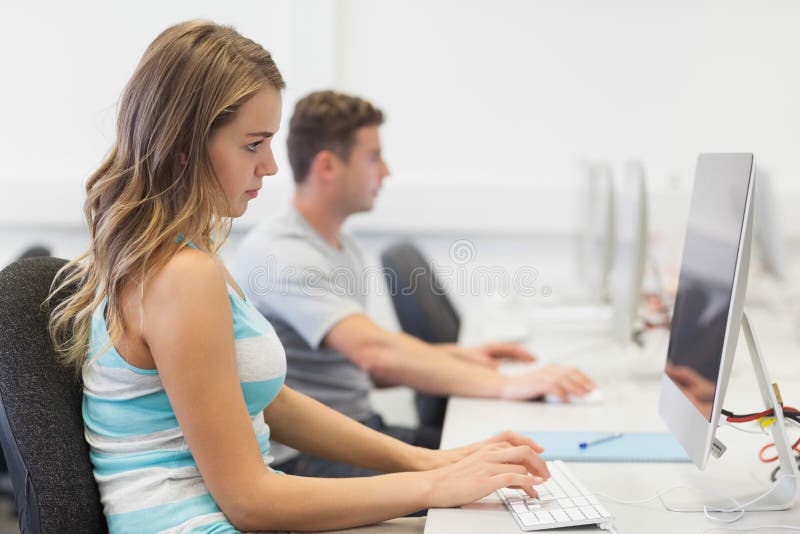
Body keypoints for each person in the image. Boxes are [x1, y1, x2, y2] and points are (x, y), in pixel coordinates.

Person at [47, 21, 550, 533]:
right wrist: (432, 486)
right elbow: (250, 501)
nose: (268, 165)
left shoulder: (187, 256)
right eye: (253, 145)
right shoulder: (181, 276)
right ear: (185, 146)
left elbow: (272, 402)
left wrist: (430, 461)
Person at [233, 90, 596, 478]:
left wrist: (456, 356)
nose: (385, 171)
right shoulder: (281, 253)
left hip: (360, 431)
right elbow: (374, 352)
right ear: (327, 166)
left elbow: (358, 366)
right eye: (373, 157)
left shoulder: (339, 243)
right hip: (310, 458)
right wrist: (506, 384)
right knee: (492, 488)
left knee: (508, 462)